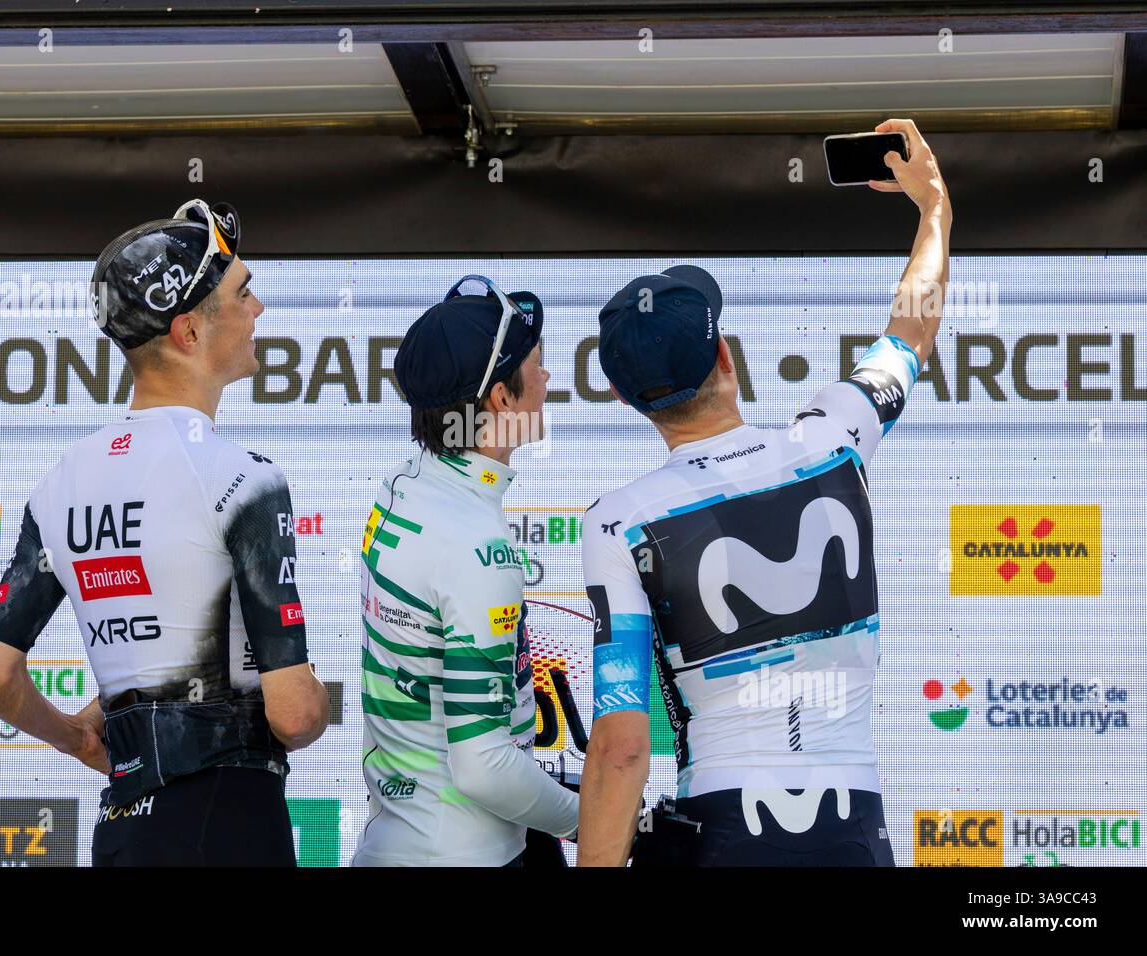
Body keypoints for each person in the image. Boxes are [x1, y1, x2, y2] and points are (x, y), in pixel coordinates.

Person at [576, 119, 951, 866]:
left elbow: (621, 751)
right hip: (853, 829)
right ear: (726, 355)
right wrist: (934, 209)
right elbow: (912, 331)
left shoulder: (617, 525)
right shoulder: (832, 437)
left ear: (624, 398)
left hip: (721, 829)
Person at [0, 199, 329, 866]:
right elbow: (295, 716)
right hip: (231, 821)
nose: (259, 310)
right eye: (243, 292)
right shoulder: (244, 479)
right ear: (189, 331)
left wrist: (78, 739)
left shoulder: (59, 483)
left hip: (124, 827)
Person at [353, 275, 579, 866]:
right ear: (503, 399)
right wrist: (595, 818)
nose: (549, 379)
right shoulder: (479, 545)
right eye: (538, 364)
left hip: (401, 841)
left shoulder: (406, 485)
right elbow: (483, 767)